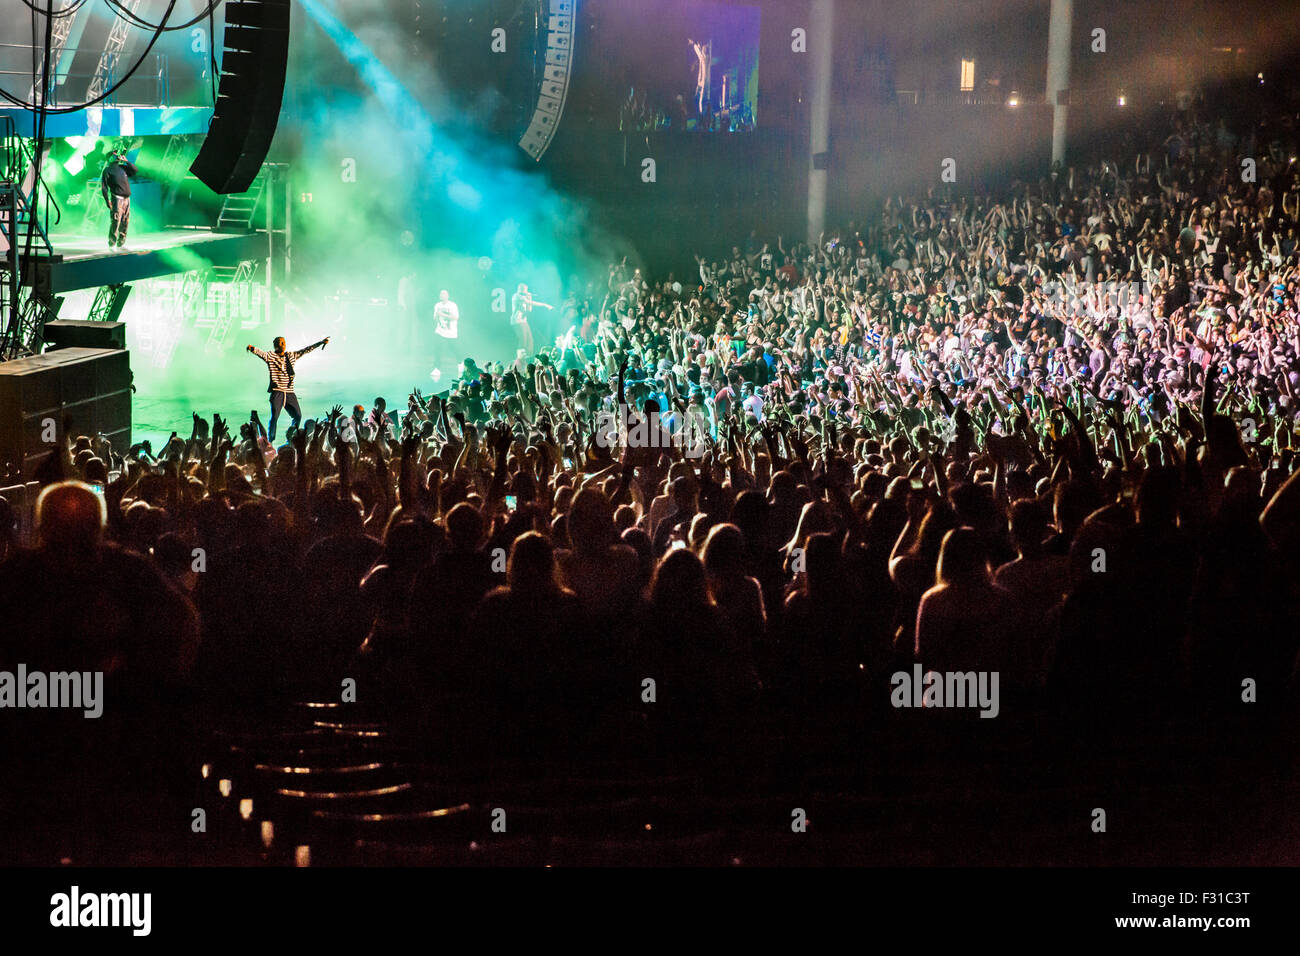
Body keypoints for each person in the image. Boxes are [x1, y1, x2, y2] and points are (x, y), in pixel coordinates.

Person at [245, 335, 329, 442]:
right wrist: (252, 348)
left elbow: (306, 350)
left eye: (284, 342)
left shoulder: (291, 356)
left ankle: (292, 437)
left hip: (289, 393)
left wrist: (320, 343)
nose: (283, 345)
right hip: (277, 391)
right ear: (275, 345)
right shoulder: (271, 356)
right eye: (280, 343)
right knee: (275, 417)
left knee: (298, 416)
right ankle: (270, 441)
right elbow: (261, 354)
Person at [100, 149, 137, 250]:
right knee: (116, 221)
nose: (117, 156)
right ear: (110, 158)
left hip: (126, 199)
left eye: (117, 154)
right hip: (117, 198)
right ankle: (112, 243)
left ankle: (121, 243)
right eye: (115, 154)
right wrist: (107, 200)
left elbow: (135, 170)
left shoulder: (122, 168)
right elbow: (104, 187)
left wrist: (126, 161)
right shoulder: (107, 170)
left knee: (125, 221)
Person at [510, 283, 551, 356]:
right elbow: (531, 303)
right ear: (521, 289)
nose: (526, 292)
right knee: (523, 340)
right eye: (525, 290)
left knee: (530, 340)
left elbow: (529, 309)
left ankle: (529, 357)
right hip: (517, 321)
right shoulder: (516, 296)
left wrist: (529, 298)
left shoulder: (524, 298)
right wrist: (545, 305)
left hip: (523, 321)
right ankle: (519, 358)